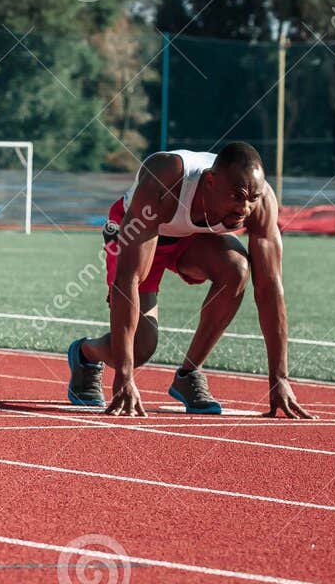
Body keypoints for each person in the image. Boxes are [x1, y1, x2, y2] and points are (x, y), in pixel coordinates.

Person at [66, 141, 311, 418]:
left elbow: (269, 288)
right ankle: (86, 354)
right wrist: (124, 376)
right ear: (209, 181)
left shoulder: (260, 202)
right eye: (237, 196)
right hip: (140, 229)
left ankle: (189, 372)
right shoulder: (166, 177)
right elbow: (127, 281)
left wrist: (280, 379)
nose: (244, 208)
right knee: (142, 346)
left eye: (252, 198)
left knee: (237, 269)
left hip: (190, 238)